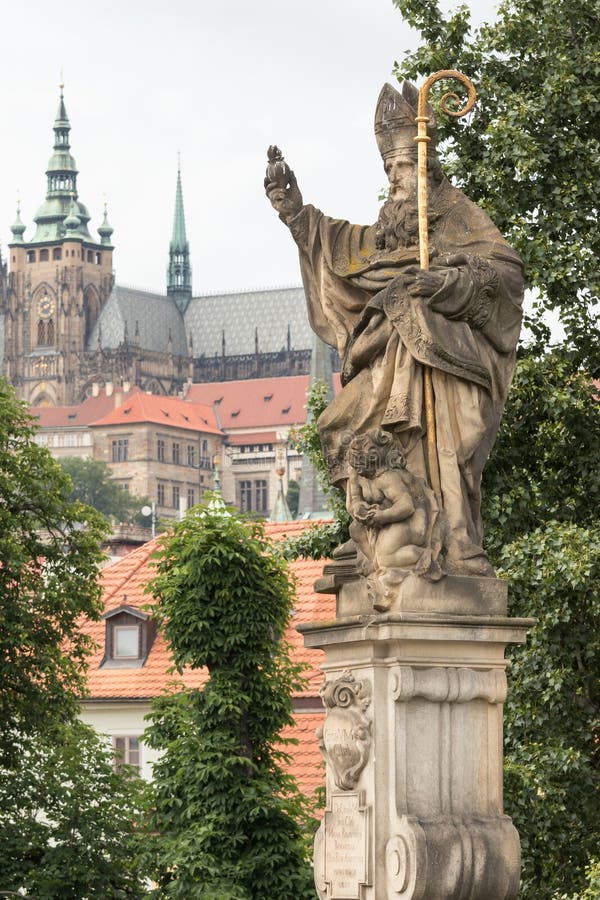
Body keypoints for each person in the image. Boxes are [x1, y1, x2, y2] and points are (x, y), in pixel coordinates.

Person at [265, 81, 524, 577]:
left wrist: (443, 282)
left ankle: (449, 536)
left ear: (427, 168)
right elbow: (344, 249)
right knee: (338, 423)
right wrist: (295, 214)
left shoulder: (456, 216)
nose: (393, 179)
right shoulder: (392, 229)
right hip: (385, 361)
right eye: (388, 169)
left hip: (442, 366)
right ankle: (368, 535)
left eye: (402, 167)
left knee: (434, 444)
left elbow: (505, 276)